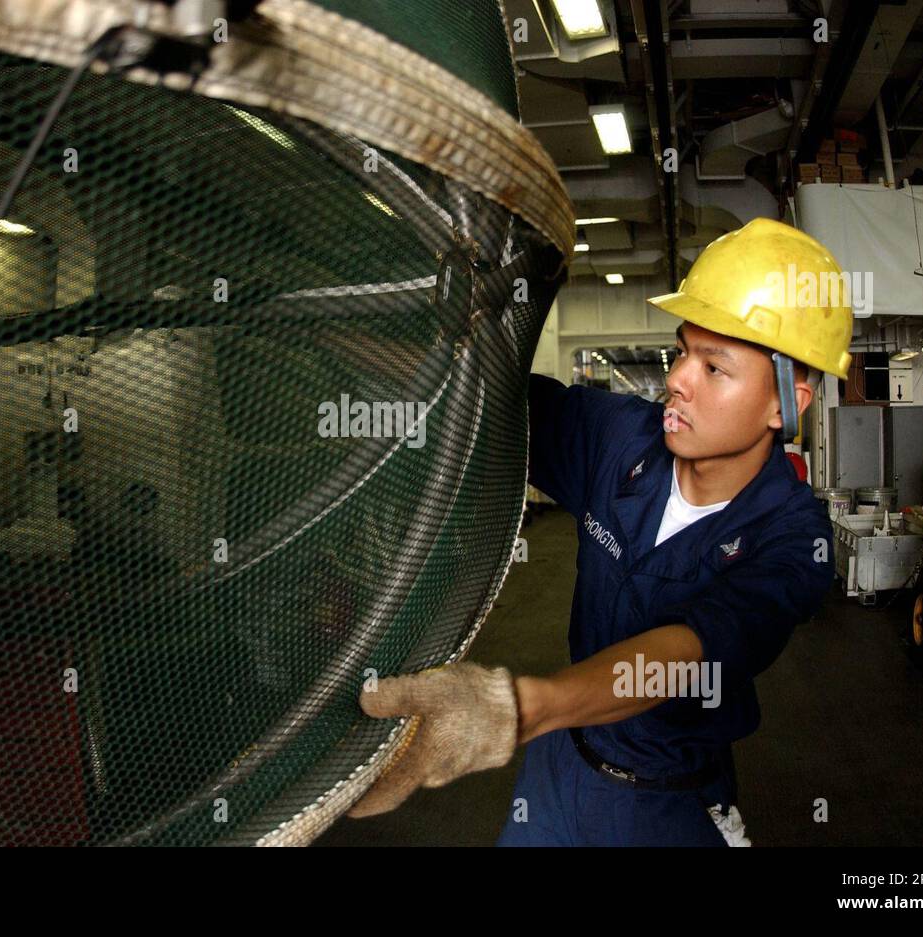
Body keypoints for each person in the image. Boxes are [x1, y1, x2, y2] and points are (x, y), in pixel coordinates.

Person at [347, 217, 854, 846]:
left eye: (714, 367)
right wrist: (348, 345)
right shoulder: (620, 440)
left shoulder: (792, 538)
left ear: (785, 403)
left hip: (670, 802)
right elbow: (478, 401)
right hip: (560, 769)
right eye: (682, 351)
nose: (677, 378)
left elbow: (686, 654)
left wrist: (518, 709)